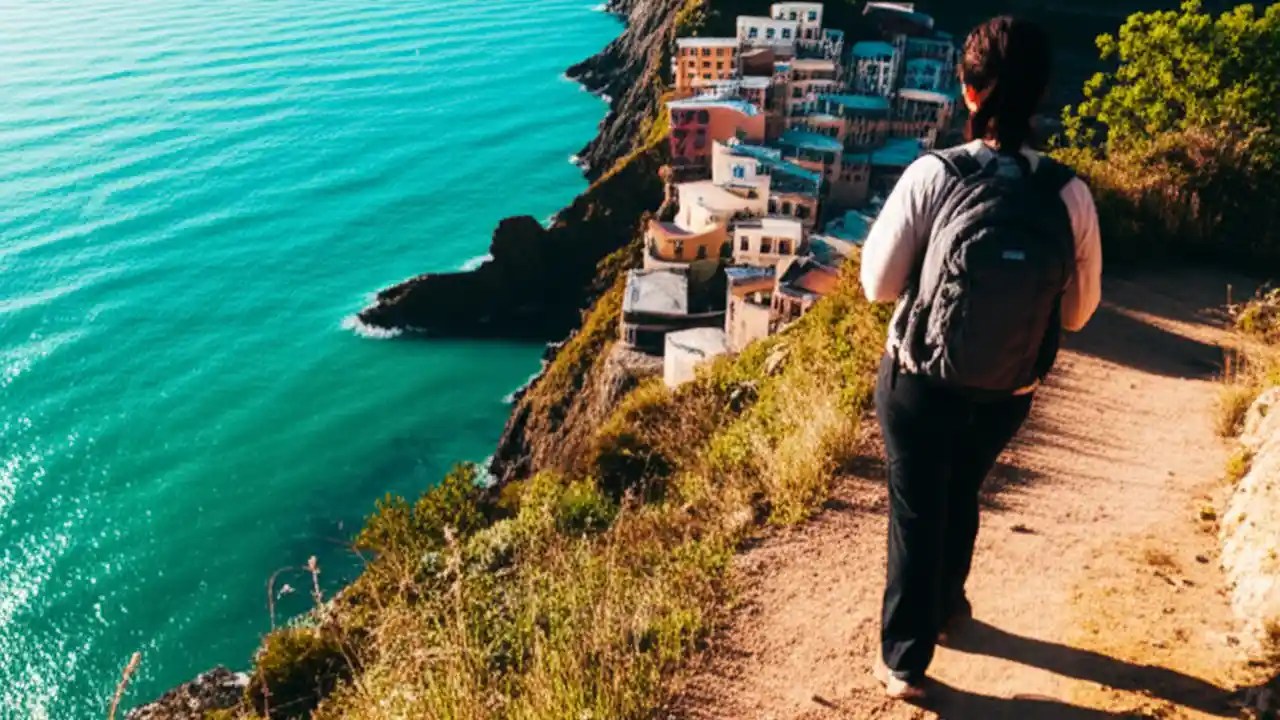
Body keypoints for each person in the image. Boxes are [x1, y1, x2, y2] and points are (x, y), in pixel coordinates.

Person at [859, 15, 1103, 700]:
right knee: (962, 485)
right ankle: (948, 607)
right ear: (1040, 93)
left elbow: (877, 286)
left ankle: (905, 659)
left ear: (969, 91)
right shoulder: (1069, 193)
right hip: (1008, 389)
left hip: (919, 381)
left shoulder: (933, 174)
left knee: (917, 504)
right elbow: (1080, 314)